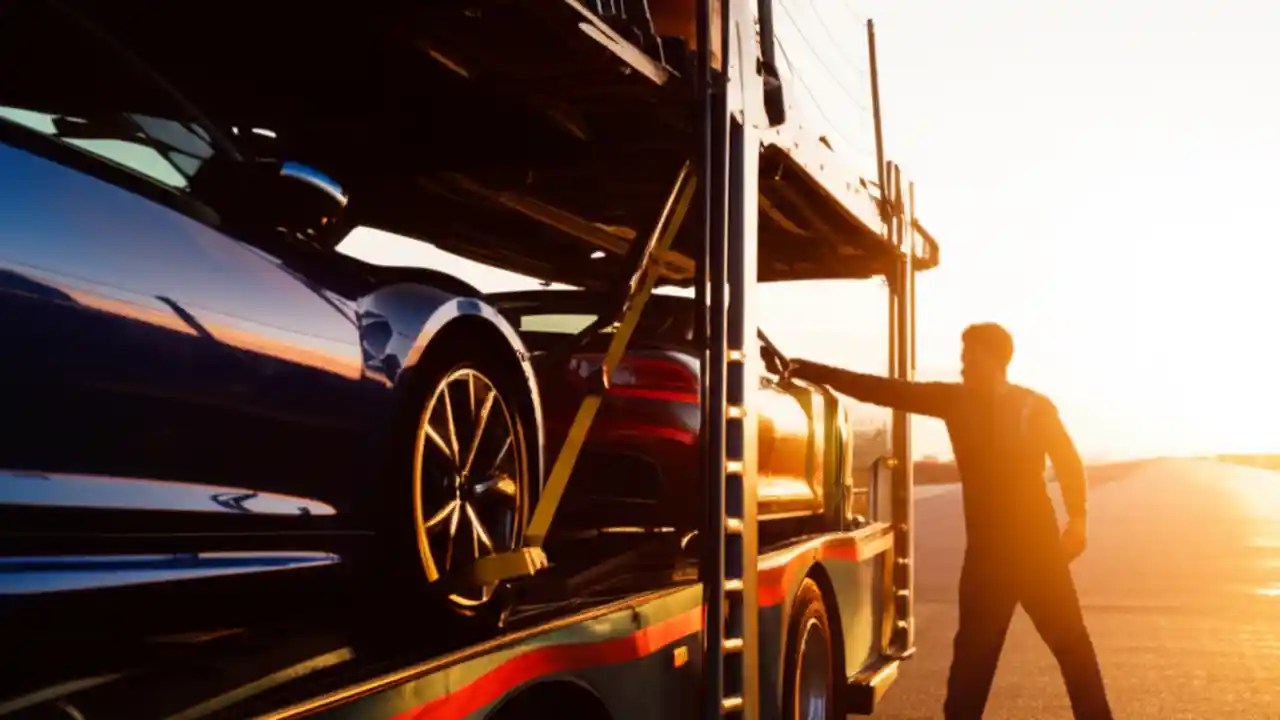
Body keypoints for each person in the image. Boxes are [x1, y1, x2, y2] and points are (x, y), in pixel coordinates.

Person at [789, 322, 1113, 720]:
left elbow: (1067, 460)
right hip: (987, 558)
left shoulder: (1034, 406)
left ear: (994, 359)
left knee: (1073, 649)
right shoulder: (955, 401)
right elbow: (883, 389)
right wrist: (811, 371)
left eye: (969, 356)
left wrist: (1077, 517)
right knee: (971, 668)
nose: (962, 365)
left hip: (1038, 551)